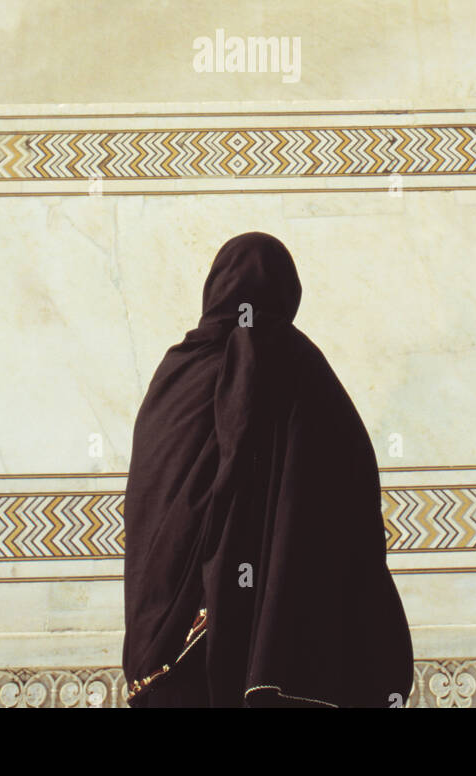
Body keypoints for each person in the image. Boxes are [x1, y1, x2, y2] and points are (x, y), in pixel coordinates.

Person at [122, 231, 413, 708]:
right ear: (286, 294)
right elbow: (351, 505)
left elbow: (147, 509)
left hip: (169, 650)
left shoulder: (175, 376)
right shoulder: (302, 370)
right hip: (282, 659)